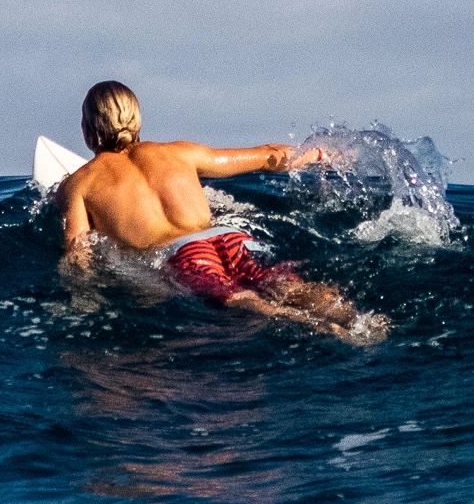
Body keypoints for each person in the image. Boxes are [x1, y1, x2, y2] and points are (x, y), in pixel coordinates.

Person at [56, 80, 387, 342]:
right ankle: (353, 317)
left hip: (182, 255)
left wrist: (85, 296)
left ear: (87, 131)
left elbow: (78, 251)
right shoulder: (182, 153)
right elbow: (269, 156)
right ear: (137, 120)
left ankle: (316, 327)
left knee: (239, 298)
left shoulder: (79, 185)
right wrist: (317, 154)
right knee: (282, 284)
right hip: (229, 238)